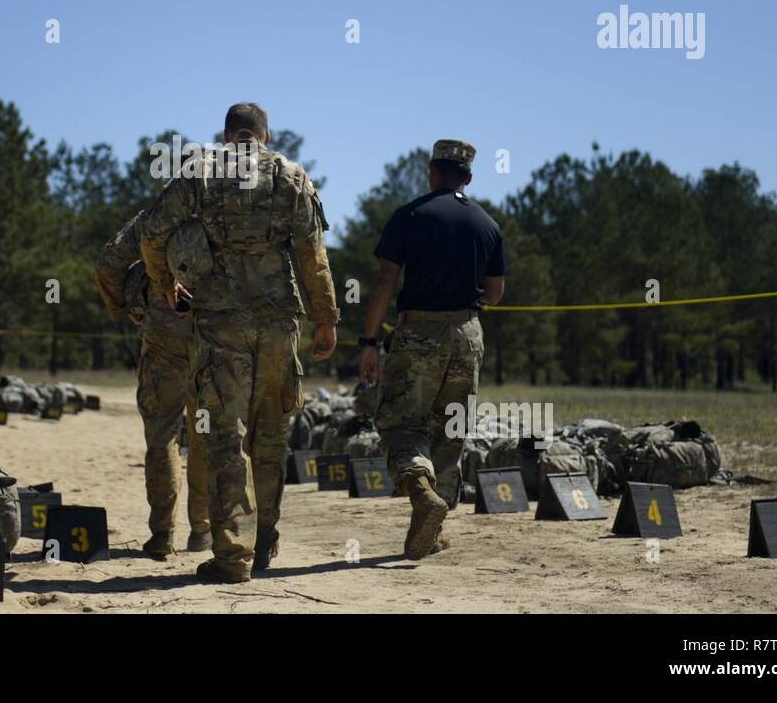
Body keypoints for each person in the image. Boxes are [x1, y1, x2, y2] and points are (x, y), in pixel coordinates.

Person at [140, 103, 339, 583]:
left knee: (225, 437)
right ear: (265, 135)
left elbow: (152, 232)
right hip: (278, 322)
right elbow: (312, 255)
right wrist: (326, 318)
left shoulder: (202, 169)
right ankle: (265, 541)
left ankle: (232, 552)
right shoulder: (291, 175)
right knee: (270, 433)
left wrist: (164, 281)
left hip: (221, 321)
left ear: (228, 134)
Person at [358, 139, 506, 559]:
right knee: (451, 428)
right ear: (469, 178)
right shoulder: (487, 225)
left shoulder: (409, 216)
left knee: (401, 423)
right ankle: (434, 526)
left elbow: (386, 281)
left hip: (419, 332)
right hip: (468, 334)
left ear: (431, 171)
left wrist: (369, 341)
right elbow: (494, 294)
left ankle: (422, 493)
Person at [94, 210, 210, 556]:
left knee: (163, 436)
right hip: (214, 338)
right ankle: (202, 530)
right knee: (207, 436)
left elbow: (107, 264)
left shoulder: (155, 218)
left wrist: (122, 307)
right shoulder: (224, 215)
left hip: (162, 337)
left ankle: (163, 533)